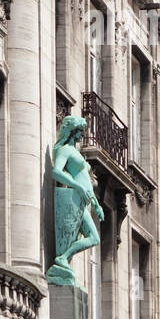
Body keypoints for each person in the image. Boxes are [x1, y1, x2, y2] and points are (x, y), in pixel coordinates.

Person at [48, 115, 104, 286]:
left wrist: (96, 204)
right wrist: (77, 187)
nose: (82, 135)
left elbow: (85, 180)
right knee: (94, 238)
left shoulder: (75, 152)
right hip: (75, 199)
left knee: (91, 238)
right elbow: (56, 172)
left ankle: (64, 259)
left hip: (84, 201)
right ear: (72, 132)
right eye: (80, 131)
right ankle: (62, 258)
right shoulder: (65, 150)